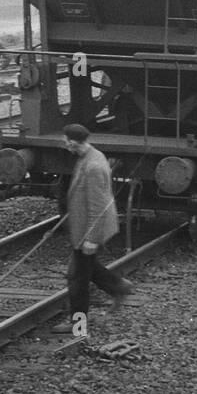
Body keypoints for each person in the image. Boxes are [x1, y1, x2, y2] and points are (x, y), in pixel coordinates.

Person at [62, 123, 134, 320]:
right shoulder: (90, 155)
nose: (65, 145)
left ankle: (79, 327)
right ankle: (119, 286)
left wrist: (91, 240)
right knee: (87, 267)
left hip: (89, 231)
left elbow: (98, 207)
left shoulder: (93, 166)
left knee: (77, 281)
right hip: (84, 227)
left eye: (66, 142)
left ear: (73, 142)